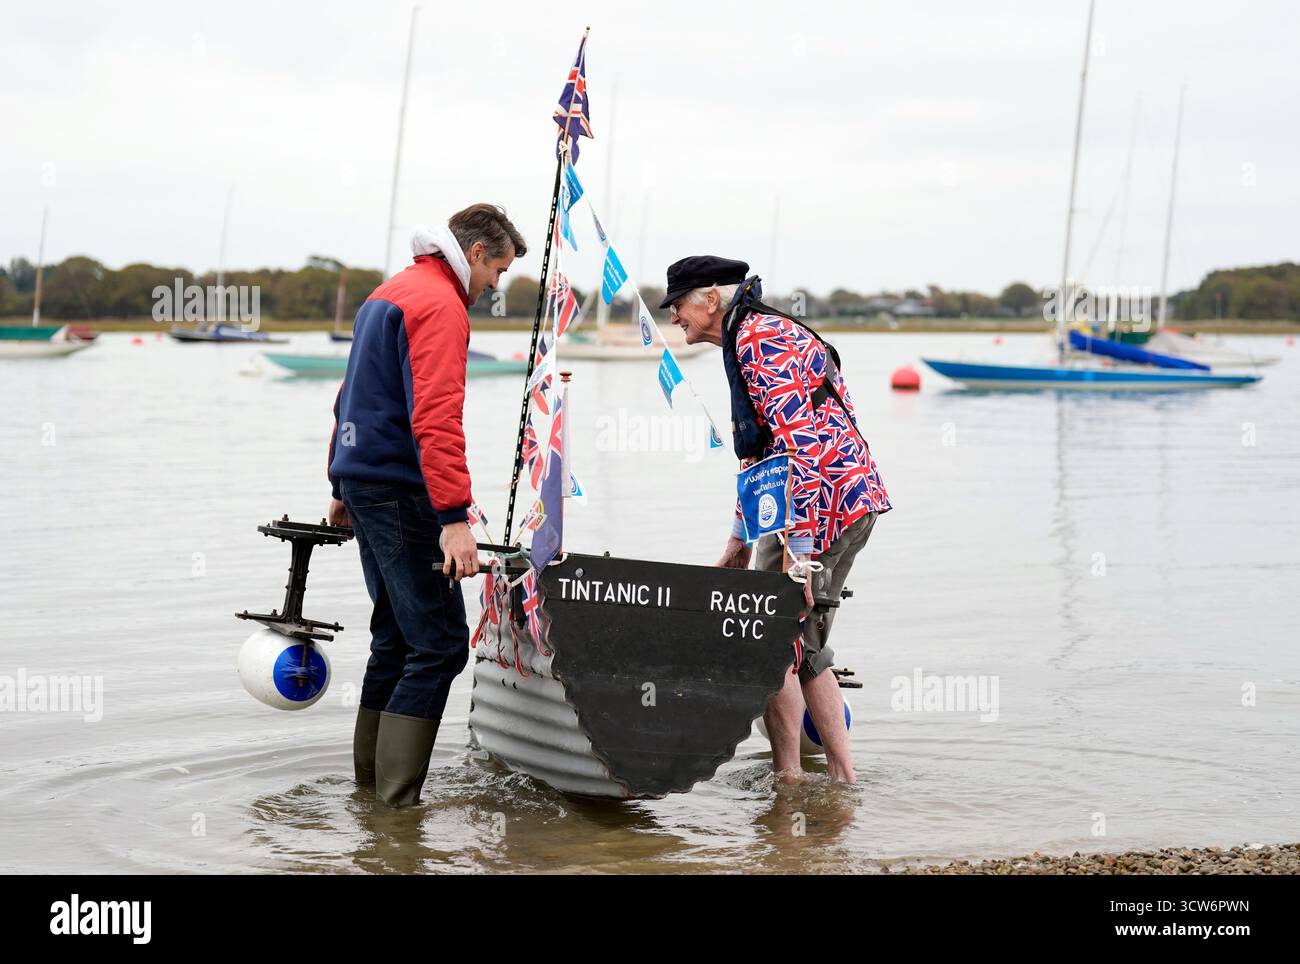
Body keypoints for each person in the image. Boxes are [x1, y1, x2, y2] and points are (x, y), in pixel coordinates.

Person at [660, 255, 891, 784]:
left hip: (831, 505)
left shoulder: (762, 339)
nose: (674, 318)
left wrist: (804, 559)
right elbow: (758, 456)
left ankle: (827, 777)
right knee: (776, 639)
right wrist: (739, 541)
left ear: (710, 299)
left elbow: (801, 448)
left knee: (786, 640)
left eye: (678, 305)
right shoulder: (743, 339)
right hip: (797, 508)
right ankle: (801, 777)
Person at [326, 204, 526, 806]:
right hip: (402, 493)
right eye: (499, 271)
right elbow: (437, 419)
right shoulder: (439, 303)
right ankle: (395, 810)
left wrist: (340, 487)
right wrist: (454, 519)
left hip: (365, 484)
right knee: (438, 645)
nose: (496, 286)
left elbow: (347, 400)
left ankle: (369, 798)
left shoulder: (389, 292)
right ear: (476, 254)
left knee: (394, 639)